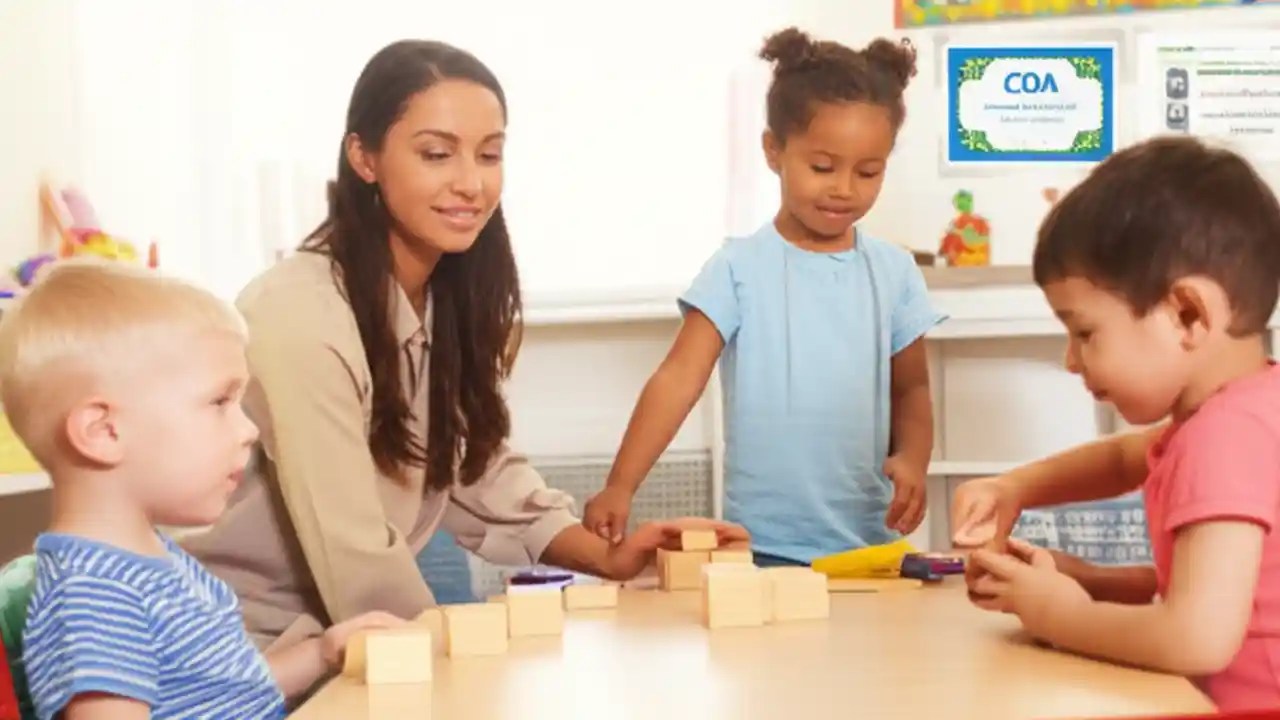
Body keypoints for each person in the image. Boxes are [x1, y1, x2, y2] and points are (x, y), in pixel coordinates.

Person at [181, 39, 747, 652]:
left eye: (490, 154)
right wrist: (451, 657)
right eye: (436, 154)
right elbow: (352, 548)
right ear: (364, 157)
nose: (471, 183)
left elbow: (477, 467)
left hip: (347, 640)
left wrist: (609, 557)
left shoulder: (446, 294)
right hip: (245, 655)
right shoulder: (298, 313)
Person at [581, 27, 945, 565]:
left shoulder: (893, 272)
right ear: (774, 151)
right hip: (758, 548)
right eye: (822, 167)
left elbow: (912, 390)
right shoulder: (737, 268)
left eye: (869, 171)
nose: (845, 188)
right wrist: (620, 485)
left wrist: (913, 460)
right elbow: (678, 379)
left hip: (869, 548)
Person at [958, 136, 1280, 712]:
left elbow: (1197, 637)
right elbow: (1127, 460)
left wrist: (1057, 612)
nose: (1071, 359)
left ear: (1187, 315)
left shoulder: (1223, 439)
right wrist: (1020, 495)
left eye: (1084, 332)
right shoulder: (1244, 411)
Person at [0, 262, 399, 720]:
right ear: (104, 431)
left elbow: (227, 692)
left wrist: (320, 653)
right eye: (219, 402)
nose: (248, 429)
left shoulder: (147, 561)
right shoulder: (95, 596)